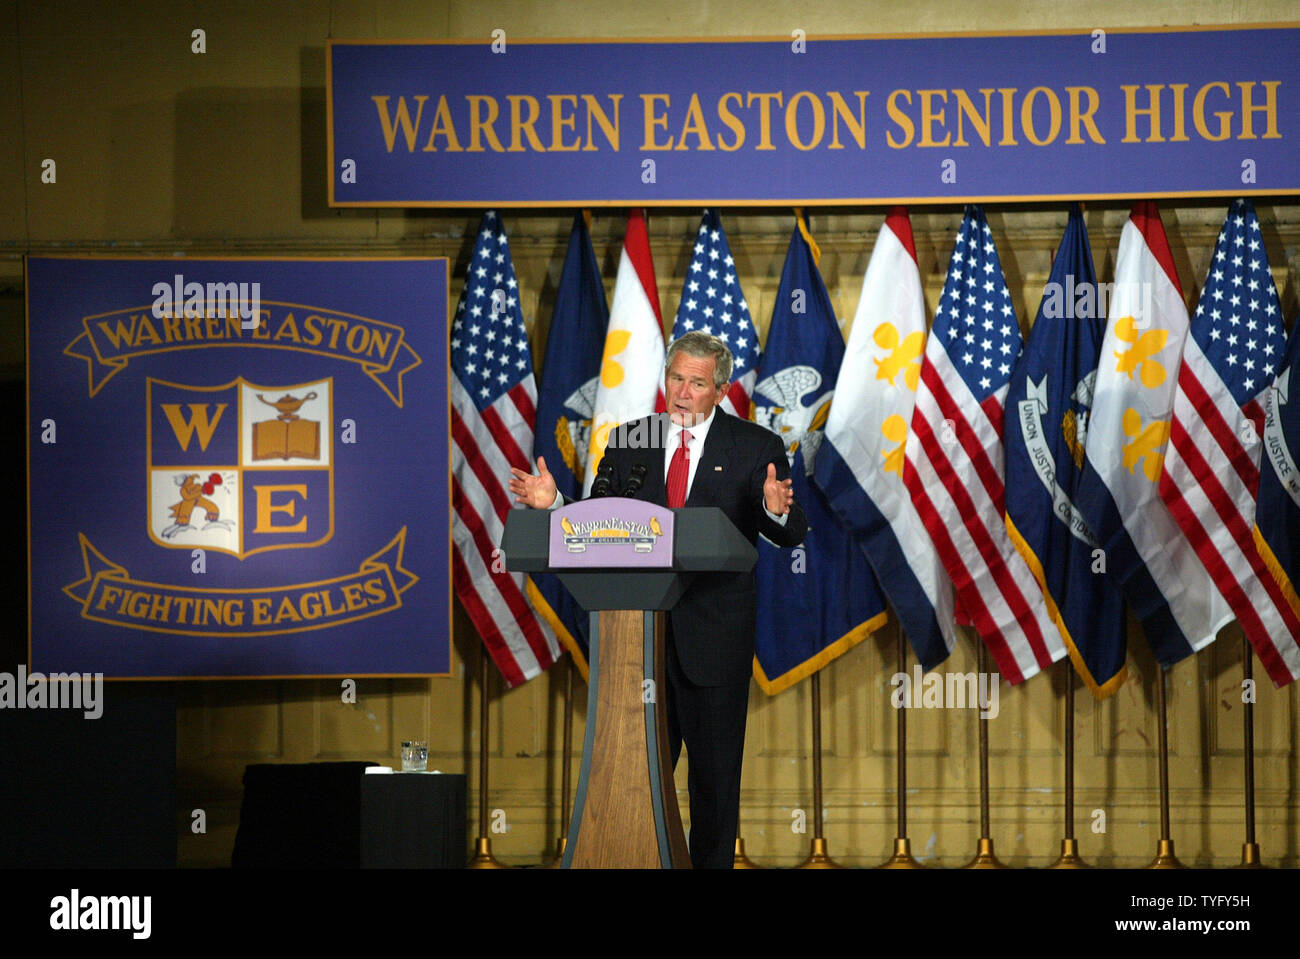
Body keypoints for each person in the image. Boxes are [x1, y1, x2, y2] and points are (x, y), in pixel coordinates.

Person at [509, 331, 807, 868]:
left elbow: (790, 533)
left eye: (697, 383)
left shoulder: (754, 447)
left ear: (719, 390)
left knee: (713, 788)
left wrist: (775, 508)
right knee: (635, 782)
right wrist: (556, 504)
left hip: (714, 641)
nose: (683, 392)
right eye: (676, 379)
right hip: (635, 641)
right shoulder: (630, 441)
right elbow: (597, 526)